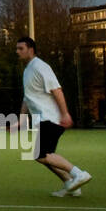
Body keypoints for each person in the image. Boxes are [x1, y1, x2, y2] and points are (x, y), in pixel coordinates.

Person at [16, 36, 92, 197]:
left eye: (20, 48)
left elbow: (57, 90)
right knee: (42, 156)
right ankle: (70, 184)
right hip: (41, 120)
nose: (17, 52)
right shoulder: (27, 70)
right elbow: (27, 98)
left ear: (31, 49)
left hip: (51, 118)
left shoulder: (41, 66)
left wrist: (64, 113)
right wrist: (21, 120)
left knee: (41, 154)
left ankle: (79, 174)